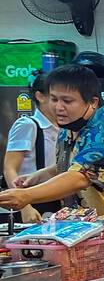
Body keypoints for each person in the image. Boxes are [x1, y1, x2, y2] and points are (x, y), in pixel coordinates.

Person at [0, 65, 104, 226]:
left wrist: (27, 196)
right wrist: (39, 176)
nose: (58, 107)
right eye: (54, 99)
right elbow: (71, 165)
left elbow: (79, 178)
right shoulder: (69, 127)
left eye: (67, 101)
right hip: (89, 231)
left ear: (93, 102)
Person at [3, 72, 62, 218]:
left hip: (56, 199)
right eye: (54, 98)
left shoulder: (63, 128)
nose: (60, 104)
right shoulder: (28, 125)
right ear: (40, 96)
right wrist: (24, 206)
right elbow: (9, 168)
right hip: (32, 201)